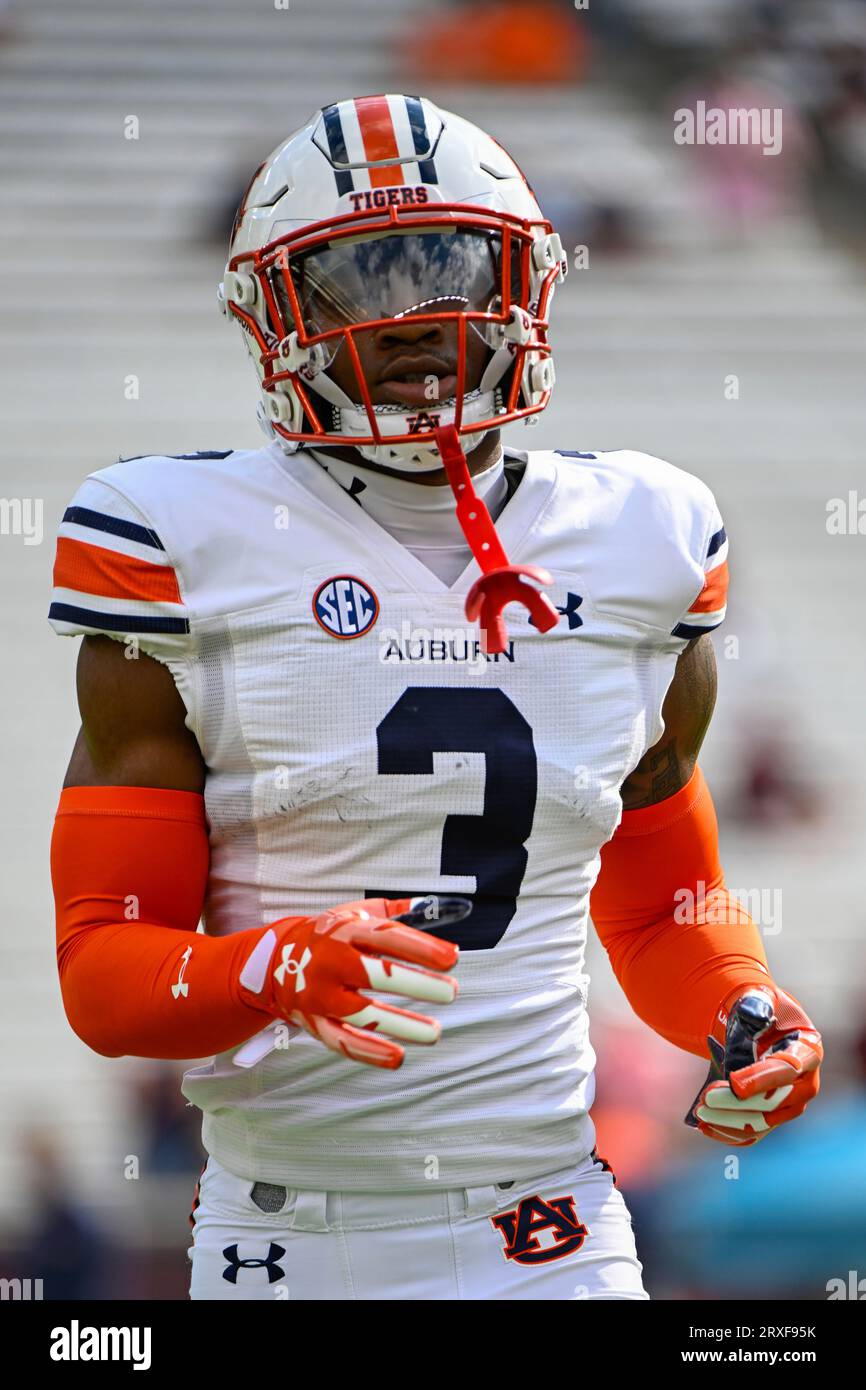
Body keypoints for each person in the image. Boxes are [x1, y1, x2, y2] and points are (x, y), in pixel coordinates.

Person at [49, 93, 821, 1301]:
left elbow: (667, 895)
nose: (413, 318)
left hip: (550, 1224)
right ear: (273, 313)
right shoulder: (174, 538)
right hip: (283, 1234)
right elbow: (103, 972)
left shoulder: (644, 535)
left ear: (527, 282)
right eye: (359, 282)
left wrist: (743, 1005)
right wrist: (272, 966)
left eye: (450, 268)